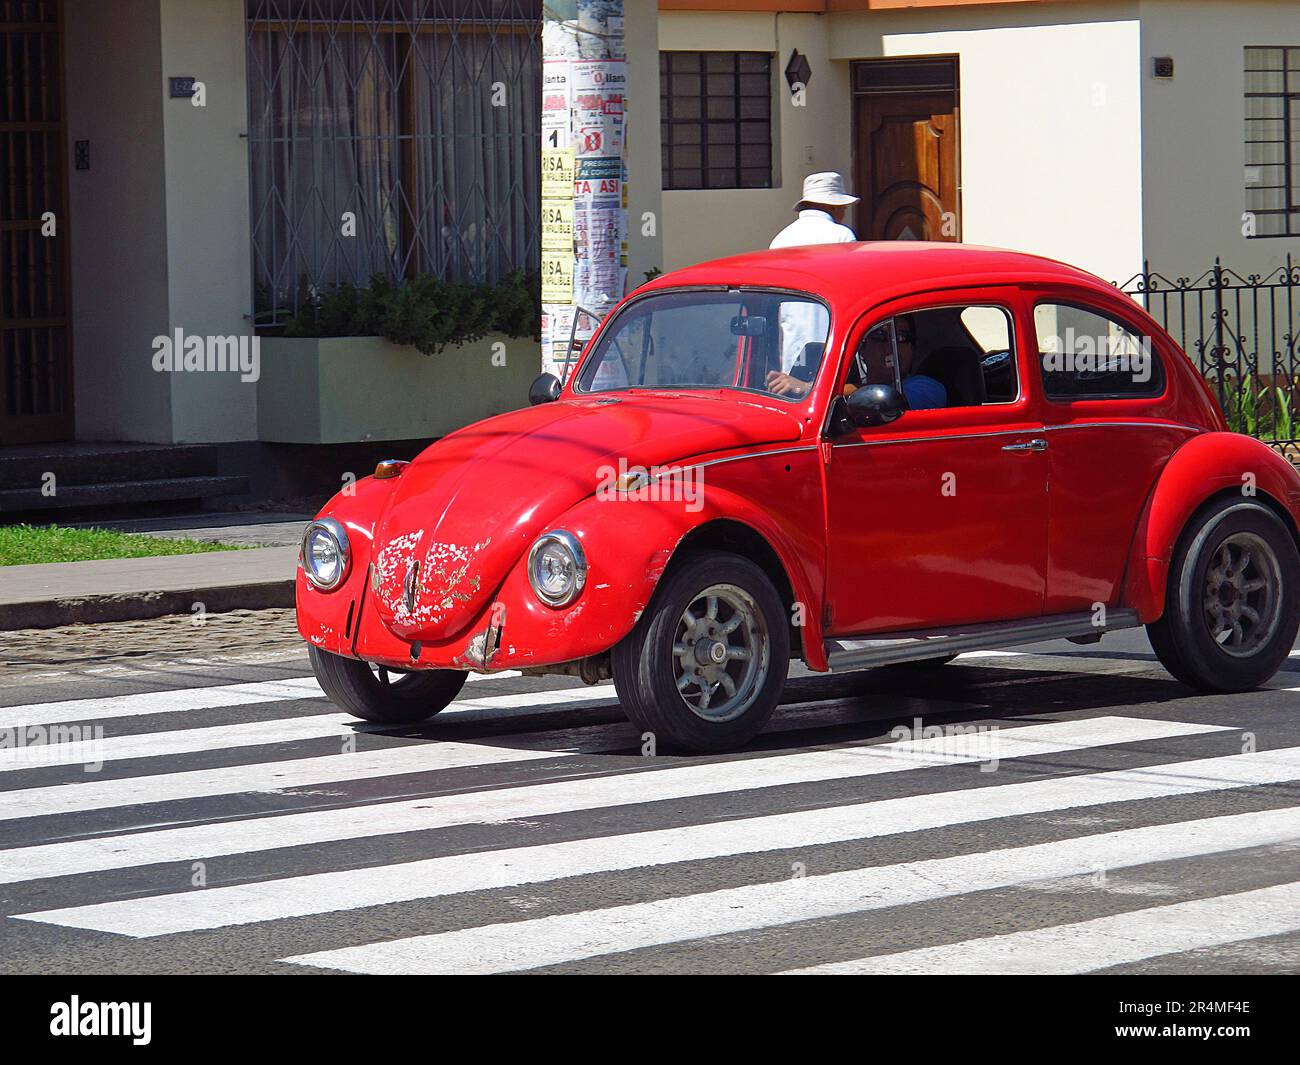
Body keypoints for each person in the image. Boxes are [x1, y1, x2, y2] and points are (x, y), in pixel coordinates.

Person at [765, 173, 859, 398]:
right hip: (832, 345)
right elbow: (854, 292)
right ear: (834, 207)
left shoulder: (780, 240)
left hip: (792, 347)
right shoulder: (841, 236)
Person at [849, 313, 946, 410]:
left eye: (901, 337)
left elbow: (888, 404)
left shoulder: (928, 388)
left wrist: (837, 393)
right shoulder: (857, 389)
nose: (891, 346)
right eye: (880, 336)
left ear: (912, 349)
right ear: (862, 348)